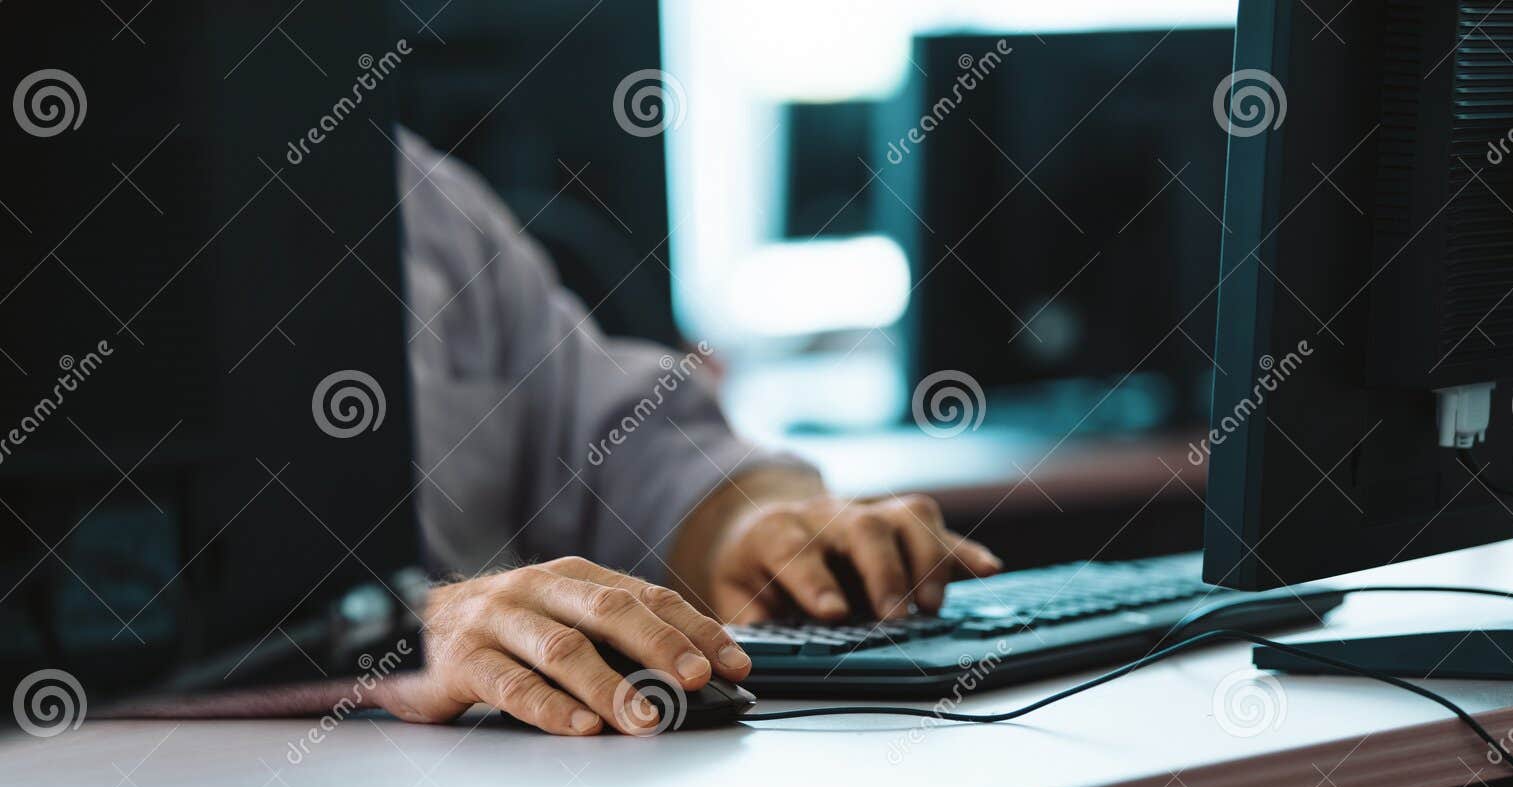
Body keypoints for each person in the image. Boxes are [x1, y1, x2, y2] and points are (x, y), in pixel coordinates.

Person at [178, 131, 1001, 737]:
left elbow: (608, 432)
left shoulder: (414, 193)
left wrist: (749, 522)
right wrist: (394, 643)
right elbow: (72, 633)